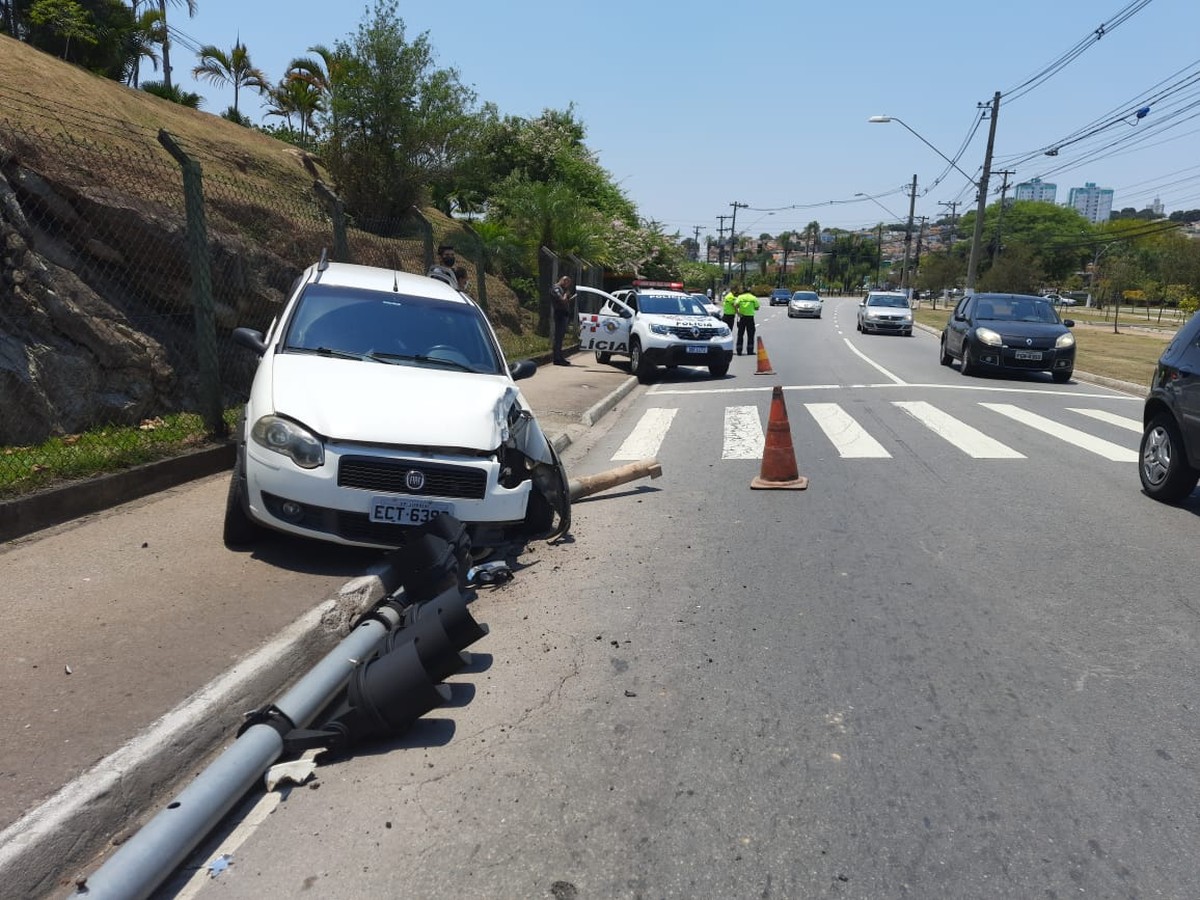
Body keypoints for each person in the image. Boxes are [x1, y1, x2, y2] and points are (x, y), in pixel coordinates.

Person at [551, 274, 575, 365]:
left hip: (564, 314)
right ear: (562, 280)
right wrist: (566, 295)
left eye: (568, 283)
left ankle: (560, 357)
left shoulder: (562, 289)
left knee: (561, 338)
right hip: (559, 314)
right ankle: (556, 359)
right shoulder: (556, 288)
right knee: (558, 337)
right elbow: (562, 300)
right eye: (566, 282)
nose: (567, 285)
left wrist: (569, 297)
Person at [735, 286, 760, 355]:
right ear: (750, 292)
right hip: (750, 318)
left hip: (742, 317)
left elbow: (735, 305)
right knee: (750, 334)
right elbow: (757, 307)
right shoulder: (753, 298)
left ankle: (739, 350)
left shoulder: (740, 297)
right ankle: (750, 350)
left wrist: (738, 313)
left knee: (740, 334)